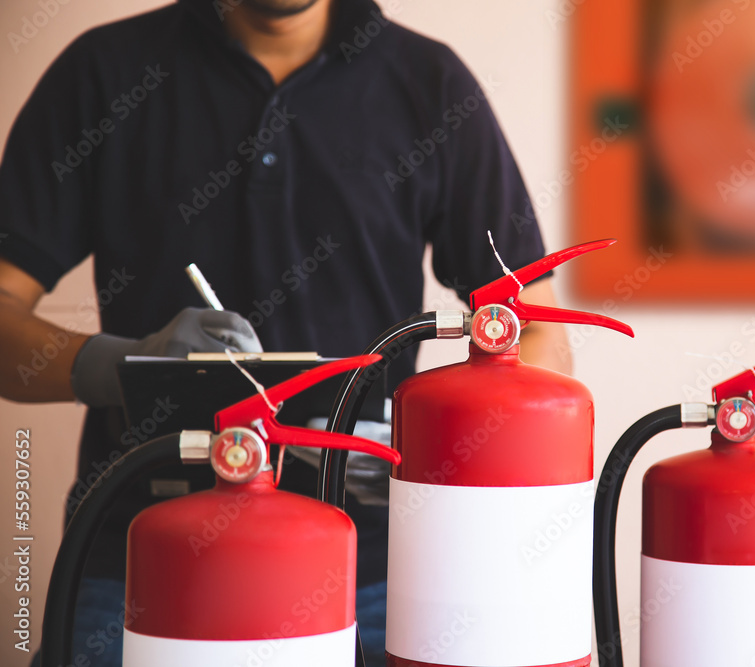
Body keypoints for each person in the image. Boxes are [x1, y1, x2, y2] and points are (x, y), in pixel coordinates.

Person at [0, 0, 570, 664]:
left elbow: (542, 339)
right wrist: (123, 365)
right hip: (134, 563)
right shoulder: (102, 72)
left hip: (375, 575)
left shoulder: (429, 84)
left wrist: (428, 443)